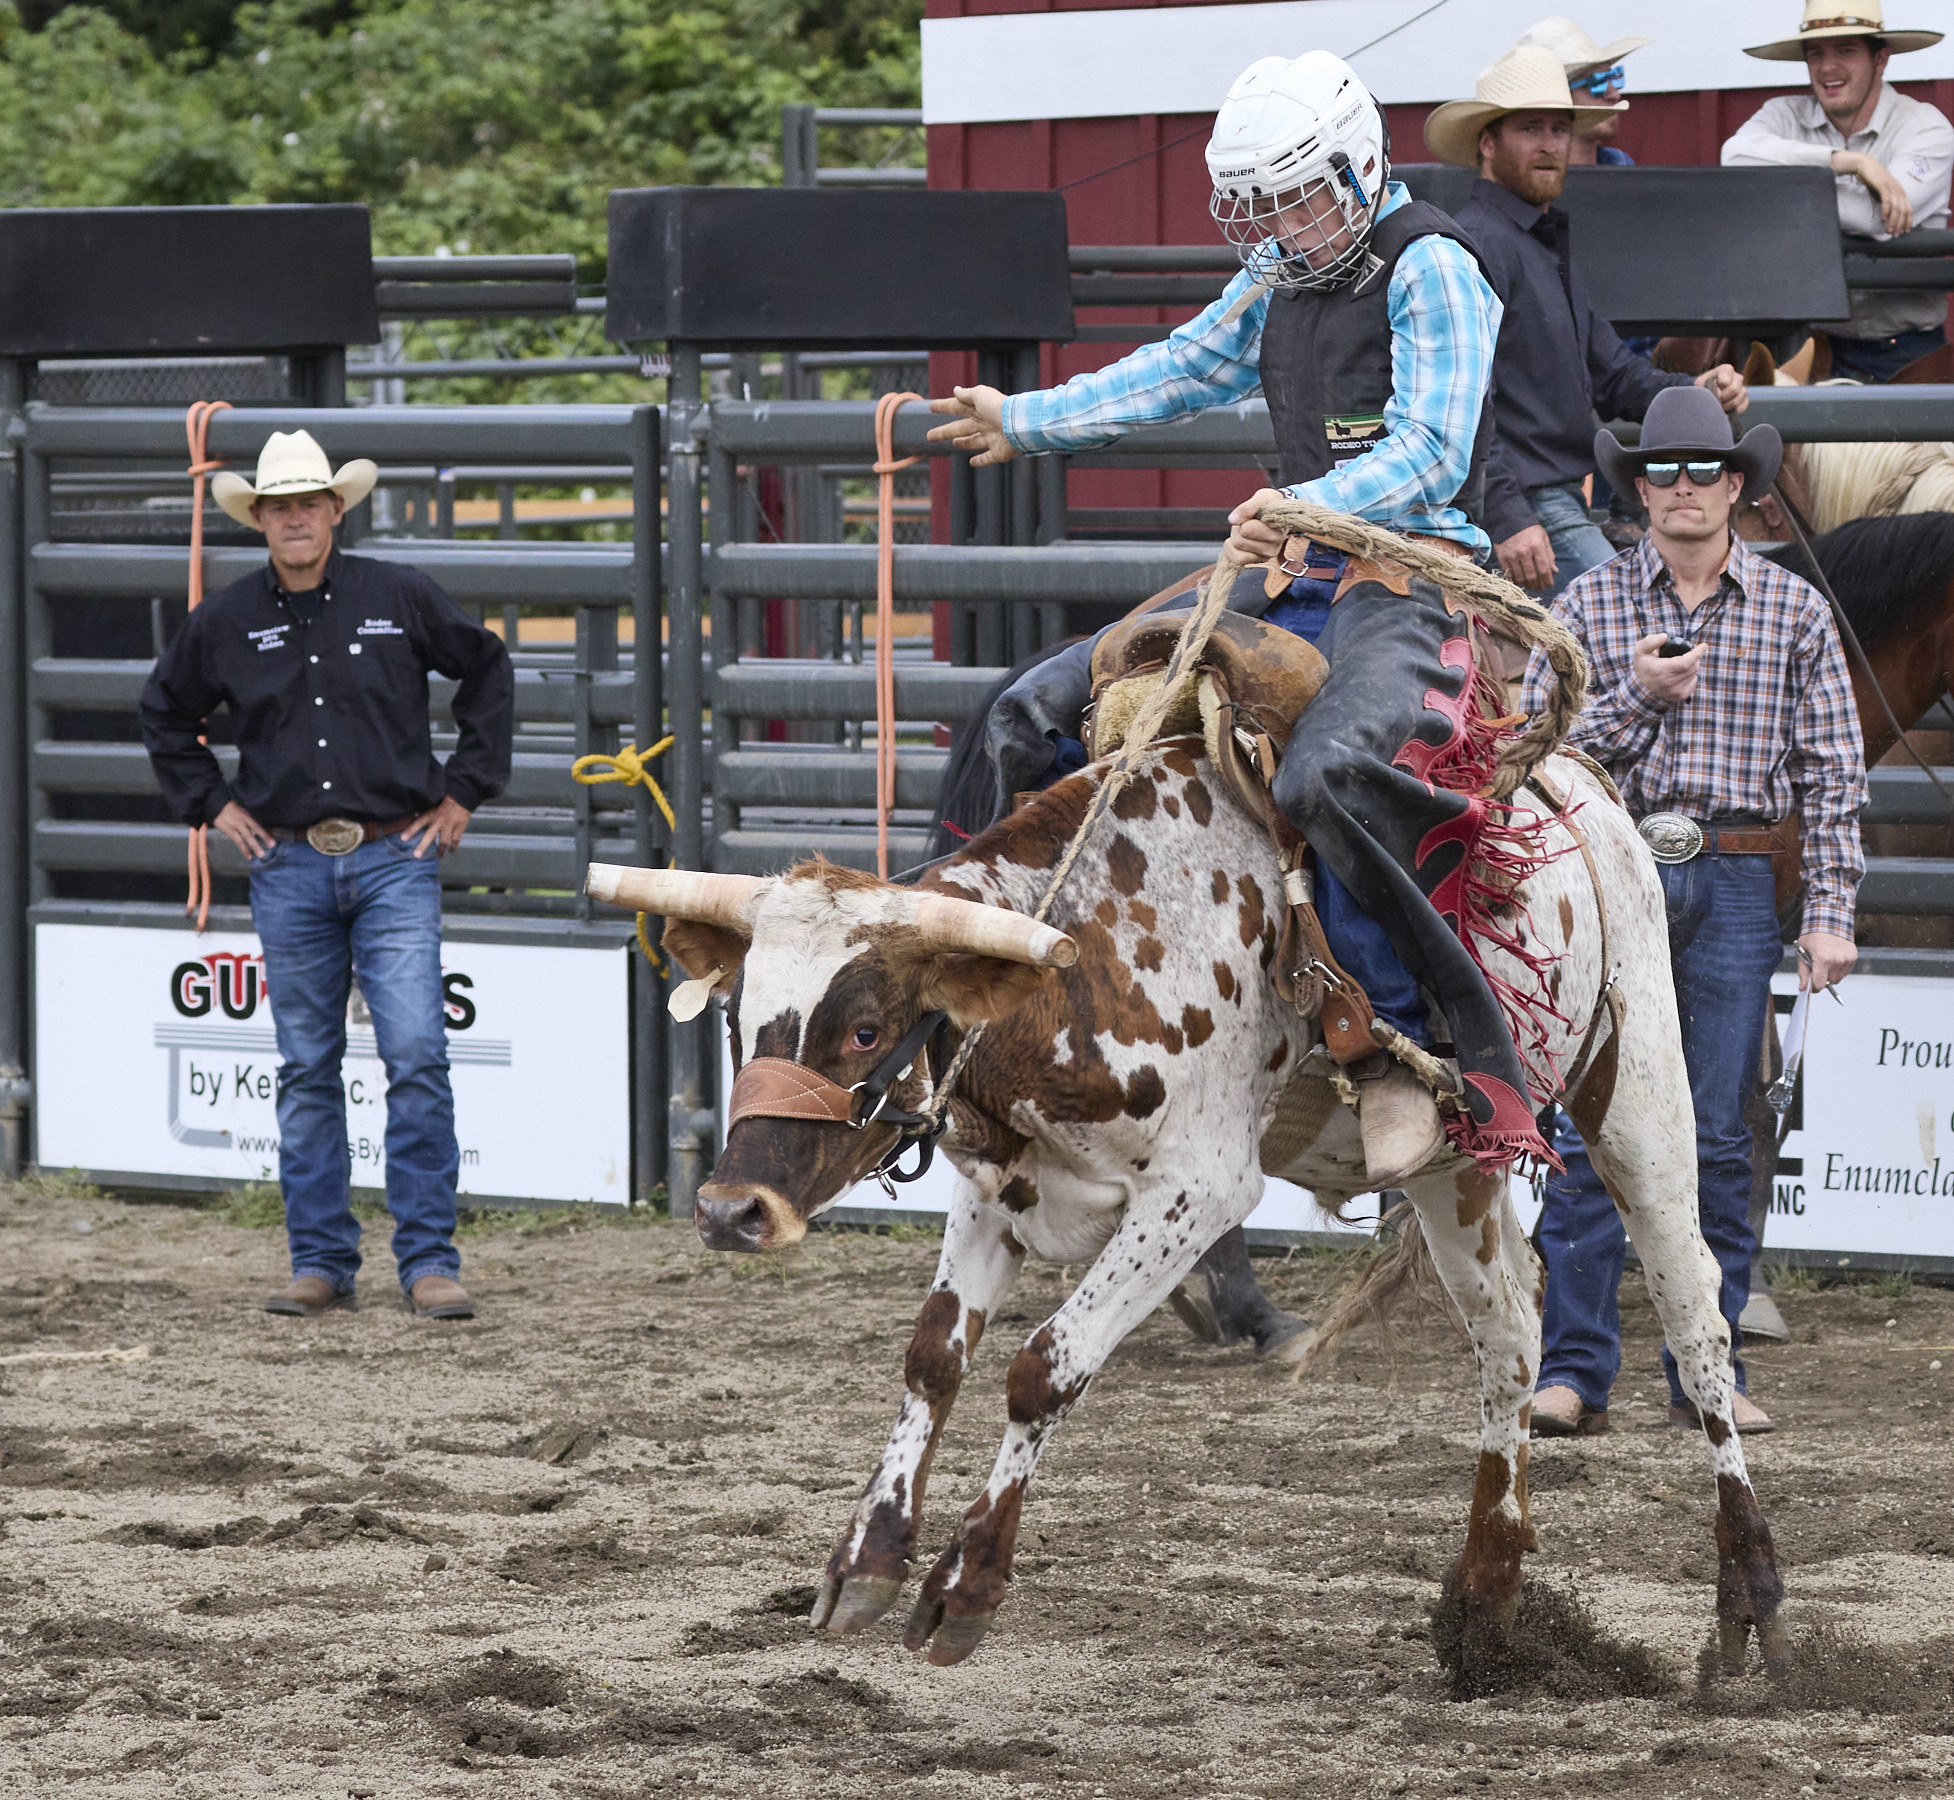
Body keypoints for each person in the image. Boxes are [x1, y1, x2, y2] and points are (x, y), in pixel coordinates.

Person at [929, 49, 1560, 1184]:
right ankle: (983, 997)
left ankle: (1396, 1045)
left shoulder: (1434, 268)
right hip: (1293, 566)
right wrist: (1024, 419)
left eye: (1298, 195)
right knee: (1025, 712)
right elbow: (1181, 367)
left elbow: (1431, 450)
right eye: (1259, 203)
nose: (1280, 222)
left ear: (1361, 167)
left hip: (1413, 578)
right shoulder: (1282, 271)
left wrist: (1298, 503)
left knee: (1327, 777)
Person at [1520, 385, 1867, 1436]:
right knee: (1588, 1131)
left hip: (1731, 875)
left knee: (1717, 1132)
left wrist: (1830, 912)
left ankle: (1705, 1373)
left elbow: (1833, 775)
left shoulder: (1795, 611)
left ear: (1732, 486)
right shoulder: (1583, 608)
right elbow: (1533, 757)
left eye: (1699, 470)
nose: (1681, 488)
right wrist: (1634, 697)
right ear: (1636, 489)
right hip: (1608, 872)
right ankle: (1574, 1370)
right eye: (1660, 470)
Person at [139, 430, 513, 1321]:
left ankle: (427, 1260)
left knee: (416, 1054)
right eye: (279, 506)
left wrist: (464, 794)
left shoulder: (398, 594)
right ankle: (321, 1261)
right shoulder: (225, 619)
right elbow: (164, 710)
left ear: (335, 511)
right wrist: (211, 805)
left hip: (393, 854)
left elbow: (486, 666)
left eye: (309, 503)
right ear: (258, 519)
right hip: (288, 859)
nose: (295, 518)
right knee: (308, 1064)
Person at [1431, 47, 1749, 599]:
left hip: (1556, 499)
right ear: (1488, 143)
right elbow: (1460, 400)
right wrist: (1507, 516)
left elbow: (1613, 373)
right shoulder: (1478, 243)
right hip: (1521, 506)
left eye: (1559, 128)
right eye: (1530, 128)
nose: (1550, 144)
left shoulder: (1534, 240)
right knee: (1635, 612)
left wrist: (1694, 391)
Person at [1722, 1, 1952, 383]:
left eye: (1846, 50)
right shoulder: (1784, 113)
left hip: (1904, 350)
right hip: (1811, 349)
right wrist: (1848, 162)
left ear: (1881, 59)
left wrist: (1784, 192)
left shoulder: (1926, 127)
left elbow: (1875, 219)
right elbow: (1734, 155)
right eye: (1815, 53)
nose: (1827, 68)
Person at [1516, 16, 1651, 166]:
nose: (1615, 94)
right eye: (1598, 82)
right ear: (1559, 96)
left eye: (1613, 77)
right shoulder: (1528, 181)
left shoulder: (1621, 163)